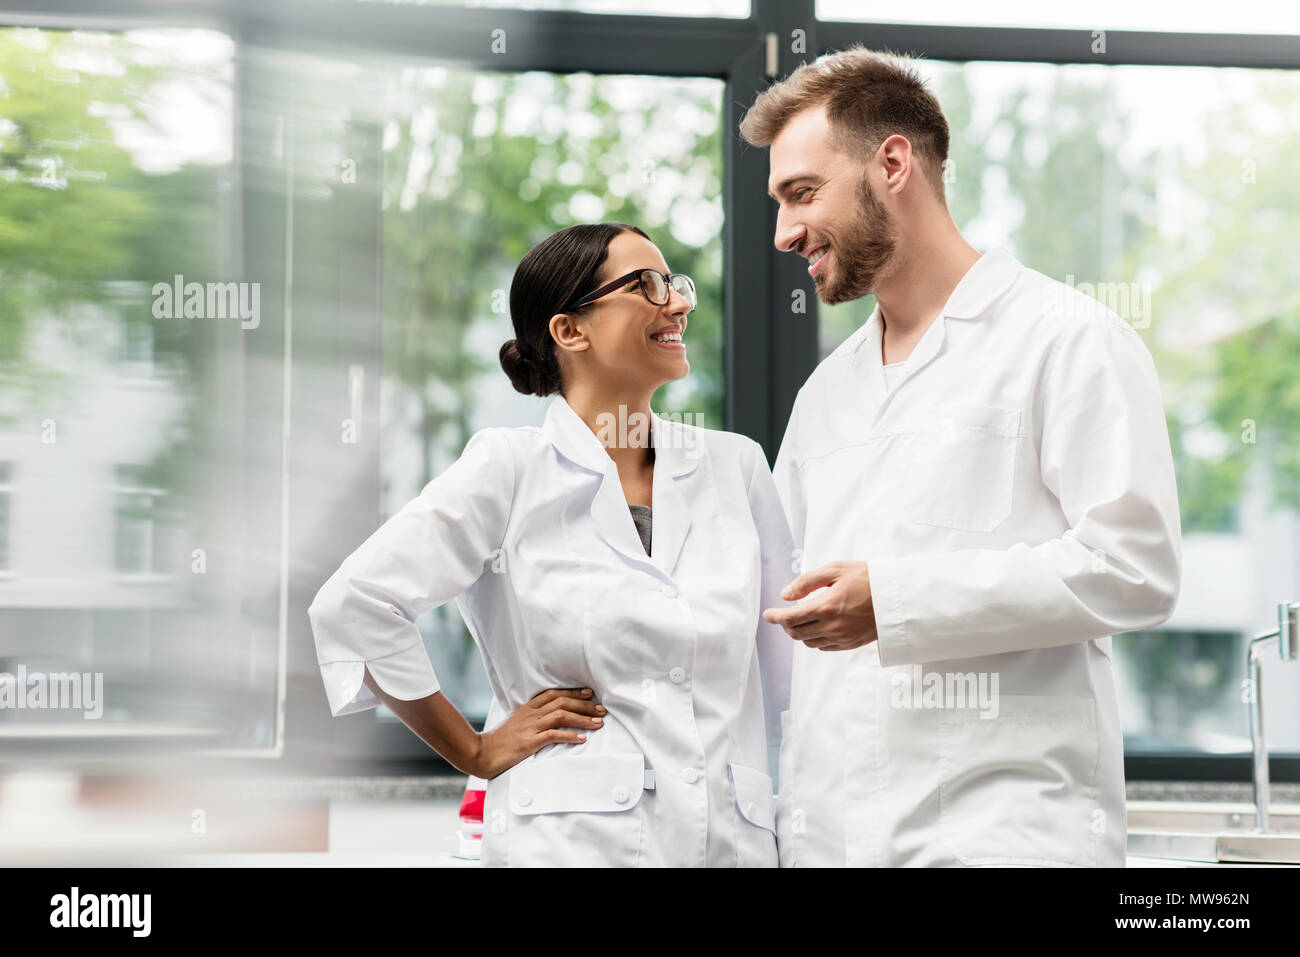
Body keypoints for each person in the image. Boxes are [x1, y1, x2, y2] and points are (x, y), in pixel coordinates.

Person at [739, 46, 1182, 866]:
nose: (783, 231)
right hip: (830, 841)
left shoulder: (1068, 341)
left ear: (893, 163)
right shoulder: (824, 397)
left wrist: (898, 600)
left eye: (802, 192)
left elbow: (1136, 567)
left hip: (1006, 839)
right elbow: (781, 620)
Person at [307, 222, 795, 867]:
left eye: (676, 285)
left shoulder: (736, 466)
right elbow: (355, 604)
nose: (678, 302)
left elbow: (791, 676)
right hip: (575, 844)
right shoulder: (510, 468)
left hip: (733, 844)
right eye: (649, 285)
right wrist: (473, 751)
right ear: (571, 331)